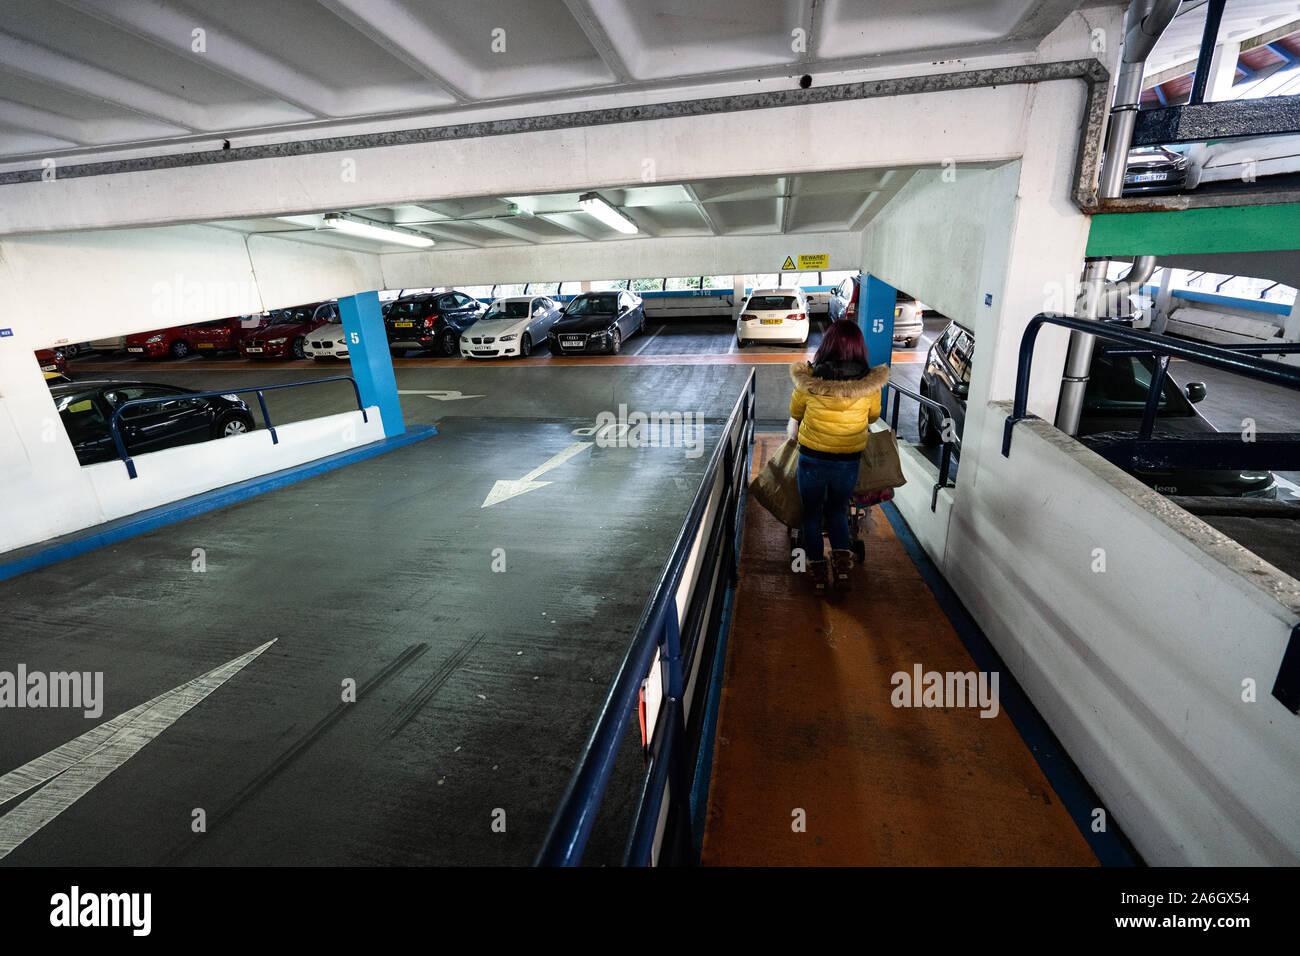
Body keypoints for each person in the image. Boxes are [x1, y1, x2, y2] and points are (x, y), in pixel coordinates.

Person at [788, 319, 889, 593]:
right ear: (859, 348)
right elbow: (874, 416)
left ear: (827, 346)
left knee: (811, 514)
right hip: (848, 461)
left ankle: (818, 571)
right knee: (837, 511)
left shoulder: (809, 381)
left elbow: (796, 414)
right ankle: (843, 569)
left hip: (812, 459)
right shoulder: (870, 385)